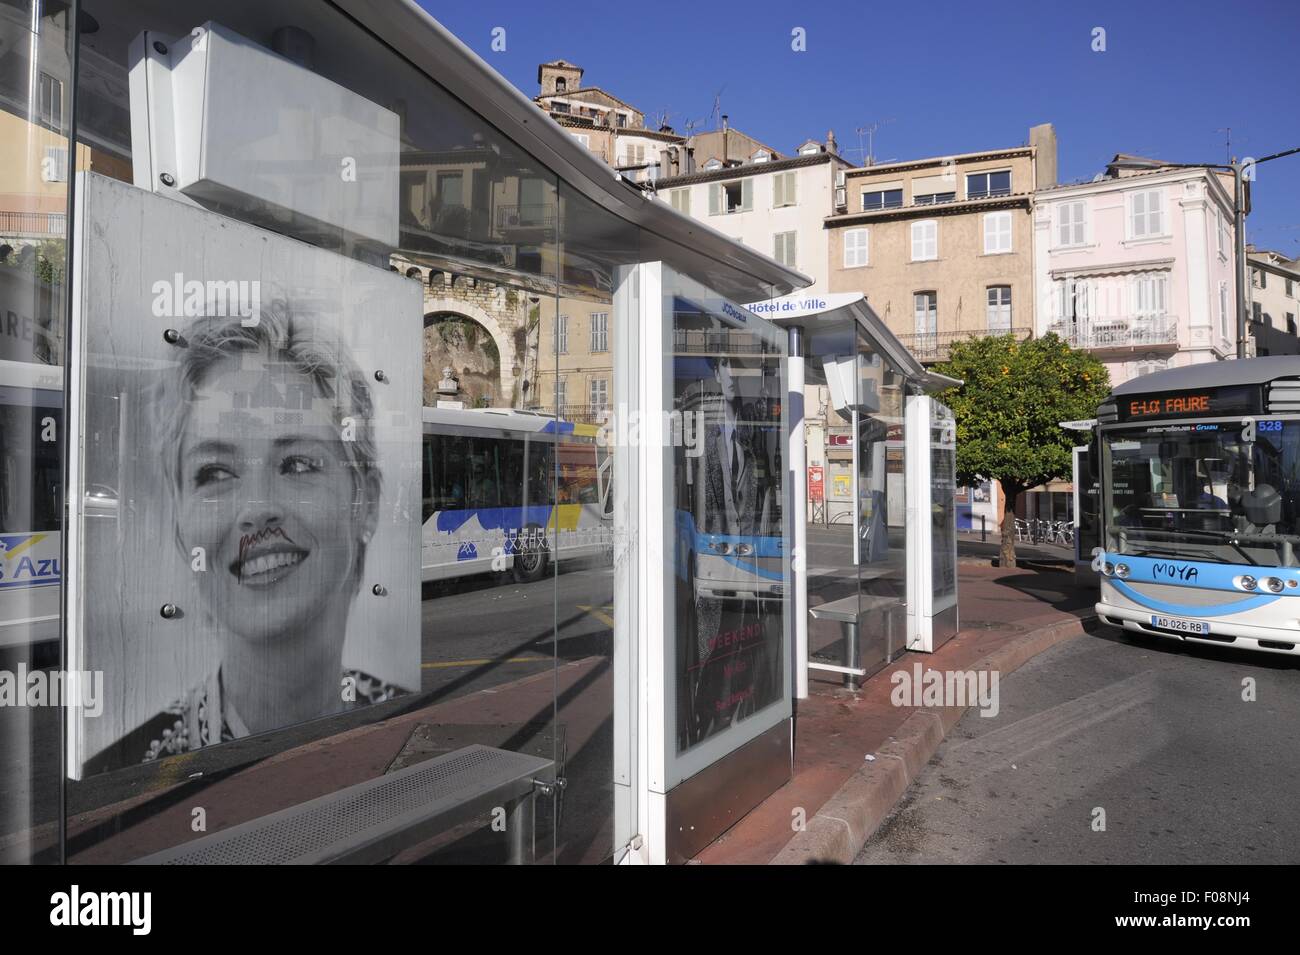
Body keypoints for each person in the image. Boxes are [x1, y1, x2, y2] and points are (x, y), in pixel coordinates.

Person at [112, 303, 400, 766]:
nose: (256, 510)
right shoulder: (127, 771)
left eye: (298, 463)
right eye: (214, 473)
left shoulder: (405, 723)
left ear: (364, 500)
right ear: (179, 525)